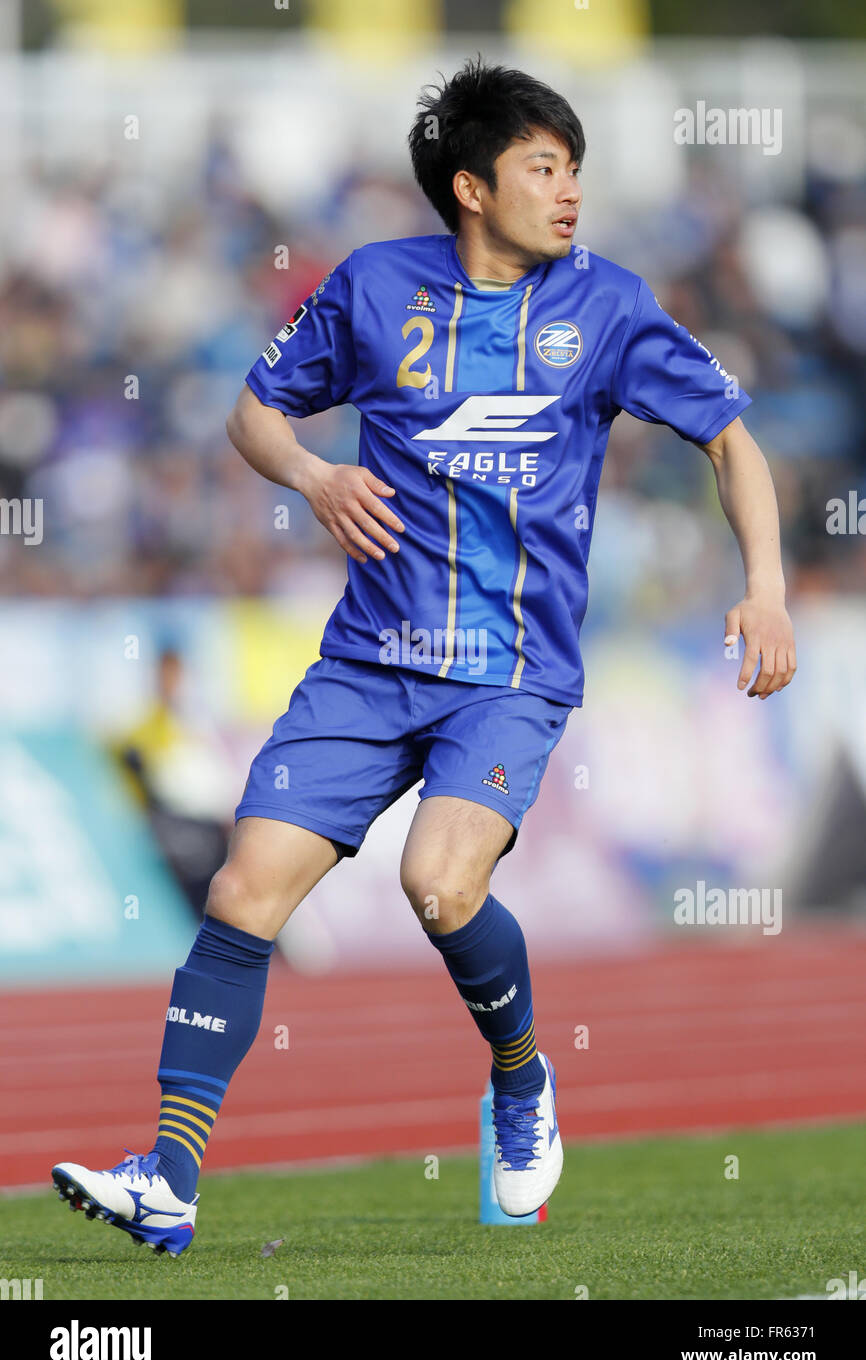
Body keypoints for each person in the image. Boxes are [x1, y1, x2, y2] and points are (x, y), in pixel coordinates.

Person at [51, 58, 796, 1256]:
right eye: (541, 169)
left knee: (439, 886)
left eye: (574, 170)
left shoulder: (605, 306)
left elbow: (731, 441)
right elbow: (255, 409)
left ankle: (518, 1077)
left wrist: (764, 587)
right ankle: (170, 1177)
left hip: (508, 673)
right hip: (365, 666)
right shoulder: (370, 287)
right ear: (469, 186)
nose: (567, 194)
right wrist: (314, 475)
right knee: (243, 892)